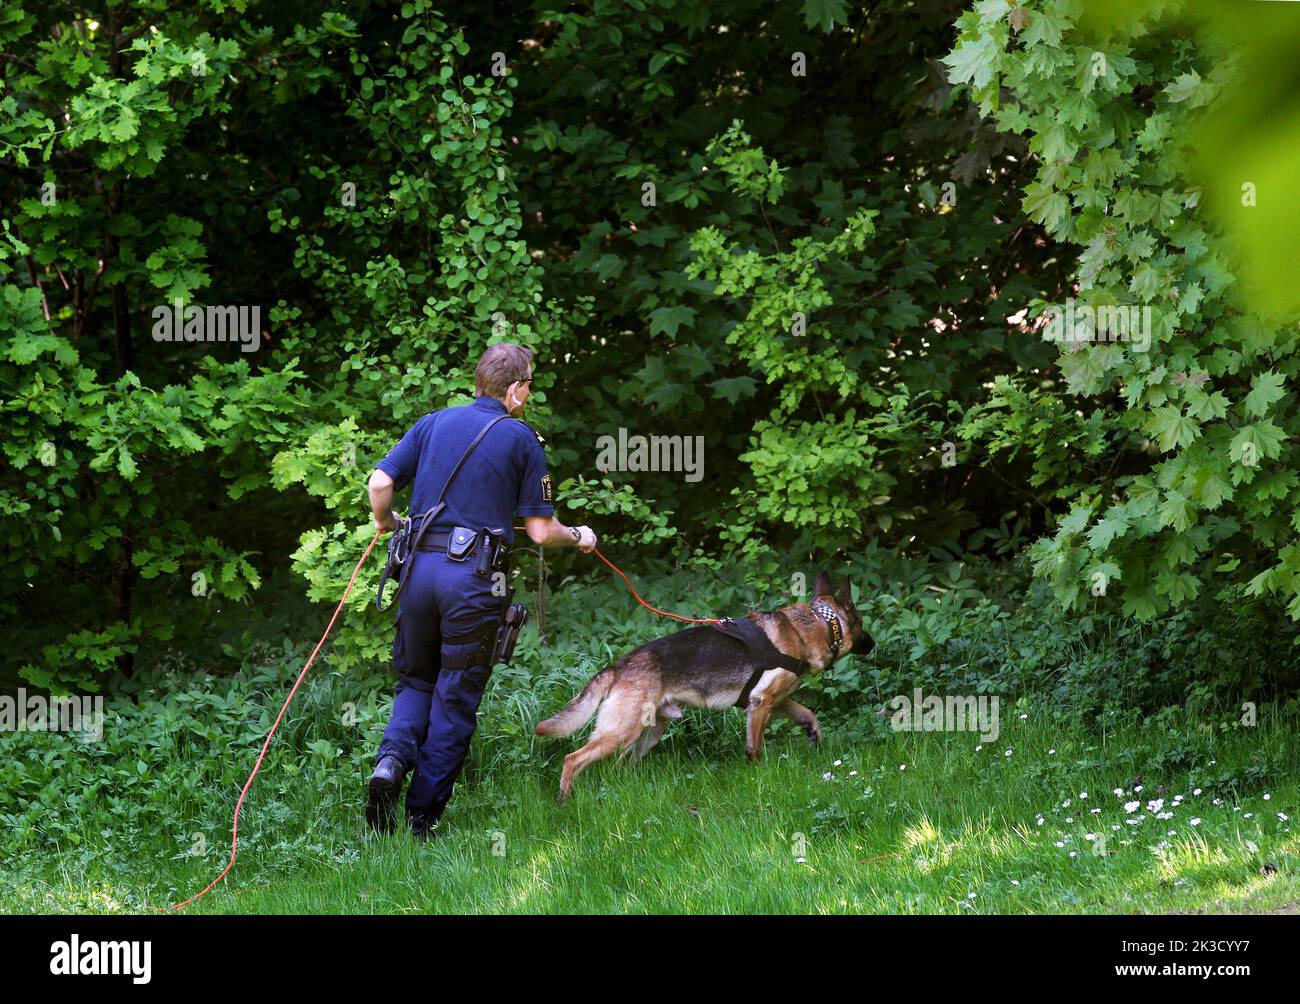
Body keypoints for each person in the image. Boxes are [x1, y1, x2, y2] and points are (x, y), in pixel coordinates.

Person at [364, 342, 597, 837]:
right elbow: (539, 531)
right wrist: (579, 536)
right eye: (529, 385)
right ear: (514, 390)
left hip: (417, 573)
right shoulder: (521, 439)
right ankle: (420, 821)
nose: (530, 394)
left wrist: (387, 523)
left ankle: (389, 764)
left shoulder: (433, 422)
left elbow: (379, 482)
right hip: (472, 582)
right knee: (454, 696)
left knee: (416, 682)